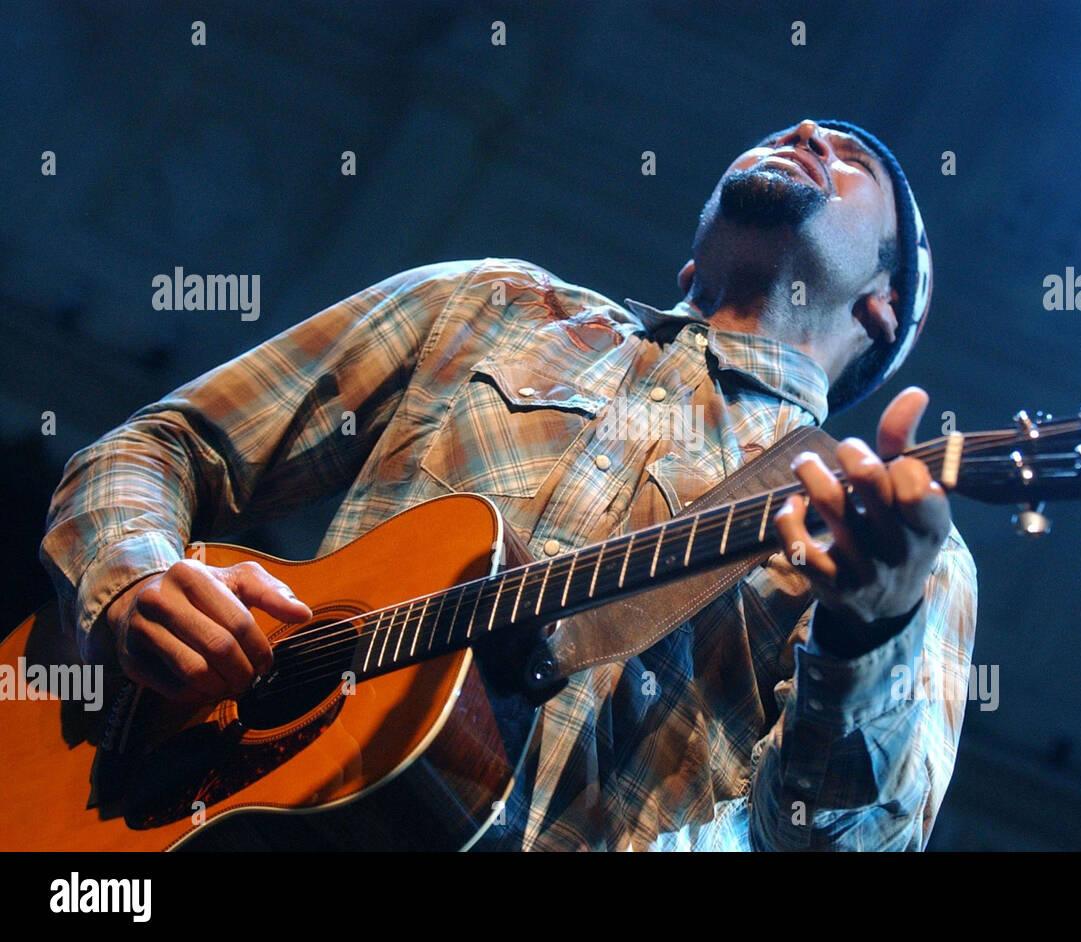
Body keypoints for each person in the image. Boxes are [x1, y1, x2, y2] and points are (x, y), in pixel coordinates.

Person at [40, 118, 977, 851]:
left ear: (886, 306)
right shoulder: (489, 304)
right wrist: (132, 577)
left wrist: (868, 635)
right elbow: (164, 446)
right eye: (796, 131)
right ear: (692, 258)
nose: (807, 134)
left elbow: (838, 843)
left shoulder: (897, 538)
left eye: (854, 159)